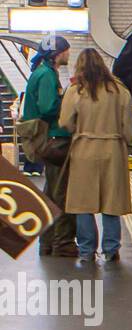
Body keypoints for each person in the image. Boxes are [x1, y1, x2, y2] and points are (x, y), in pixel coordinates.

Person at [58, 49, 132, 268]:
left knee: (83, 203)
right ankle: (111, 250)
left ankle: (86, 250)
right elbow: (128, 125)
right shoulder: (119, 91)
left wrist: (80, 129)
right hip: (113, 149)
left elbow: (65, 122)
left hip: (84, 150)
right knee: (111, 202)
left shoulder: (75, 91)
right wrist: (130, 146)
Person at [20, 34, 76, 255]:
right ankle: (62, 243)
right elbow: (47, 107)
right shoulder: (46, 75)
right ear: (57, 54)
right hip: (54, 139)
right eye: (66, 50)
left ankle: (48, 242)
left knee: (52, 191)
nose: (69, 54)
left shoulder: (42, 72)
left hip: (47, 139)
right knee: (62, 192)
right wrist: (67, 102)